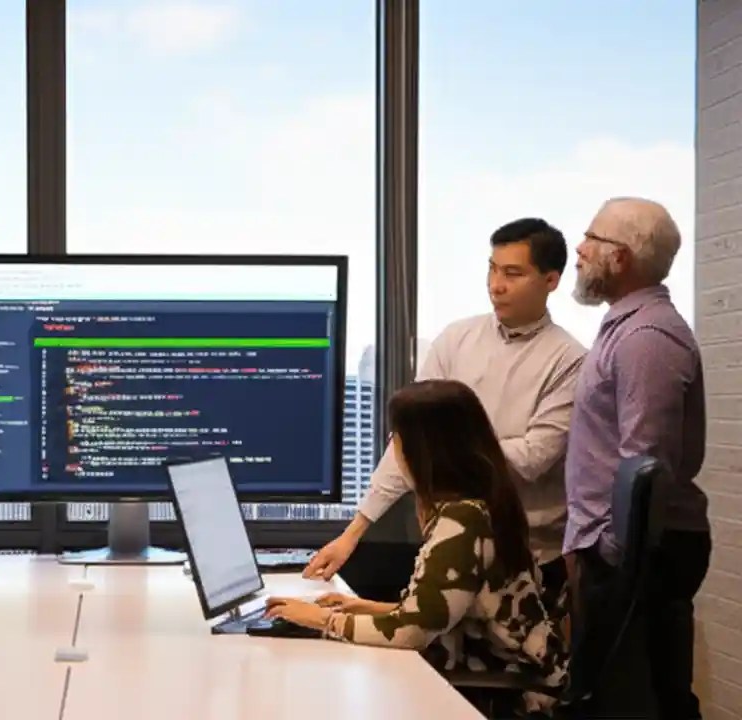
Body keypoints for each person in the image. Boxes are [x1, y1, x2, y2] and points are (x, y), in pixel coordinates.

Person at [306, 218, 587, 609]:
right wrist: (354, 531)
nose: (496, 285)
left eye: (512, 273)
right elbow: (407, 442)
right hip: (451, 548)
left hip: (527, 558)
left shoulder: (570, 360)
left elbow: (533, 458)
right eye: (492, 268)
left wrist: (444, 448)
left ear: (551, 280)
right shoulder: (456, 339)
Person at [268, 379, 569, 717]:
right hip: (496, 672)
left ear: (424, 450)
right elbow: (441, 612)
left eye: (396, 438)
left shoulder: (462, 522)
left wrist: (322, 619)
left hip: (508, 694)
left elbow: (413, 632)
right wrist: (359, 606)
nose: (394, 449)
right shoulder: (480, 504)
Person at [565, 197, 710, 719]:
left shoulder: (647, 338)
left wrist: (606, 553)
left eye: (589, 238)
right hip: (624, 549)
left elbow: (645, 465)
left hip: (636, 554)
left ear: (620, 257)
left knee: (636, 704)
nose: (578, 250)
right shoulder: (625, 326)